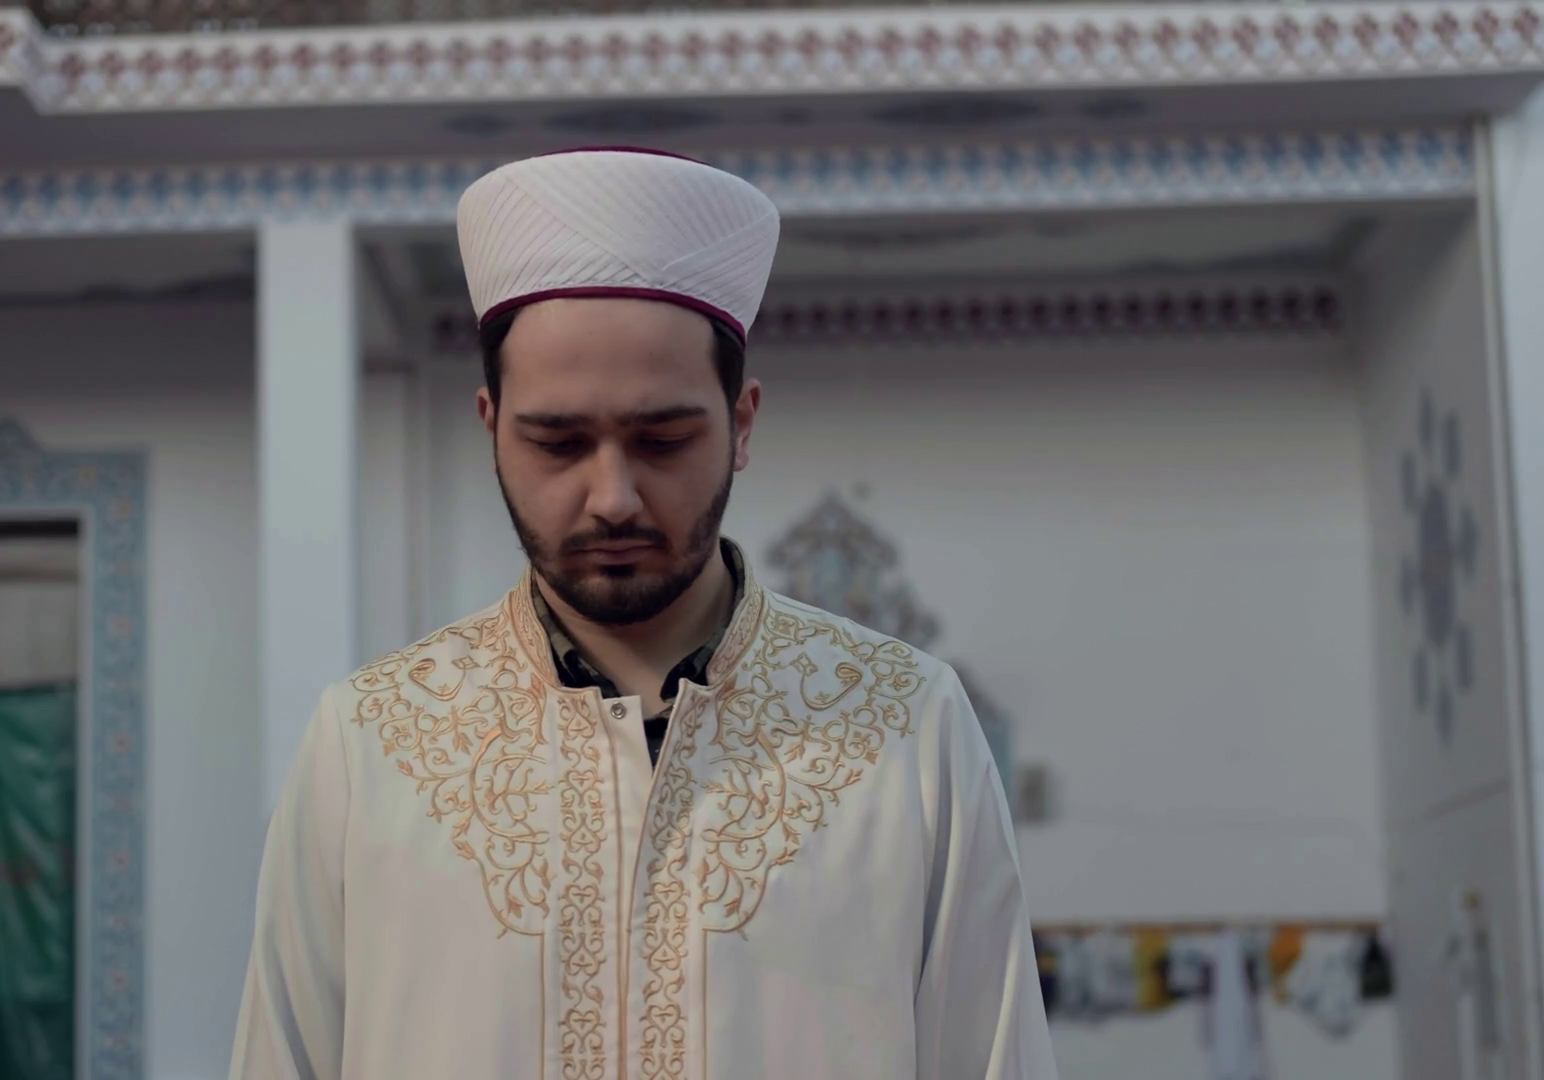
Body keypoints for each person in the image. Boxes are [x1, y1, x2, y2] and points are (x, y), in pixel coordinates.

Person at [228, 147, 1059, 1080]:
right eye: (558, 442)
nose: (612, 496)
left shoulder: (905, 725)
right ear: (489, 425)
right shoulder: (368, 742)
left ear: (742, 422)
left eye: (662, 439)